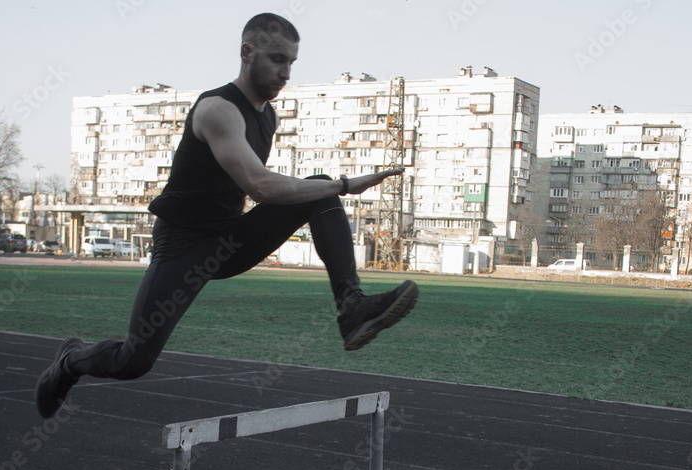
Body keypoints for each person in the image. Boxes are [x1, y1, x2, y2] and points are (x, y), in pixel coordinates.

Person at [35, 13, 418, 419]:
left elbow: (257, 192)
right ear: (246, 53)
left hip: (229, 239)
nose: (285, 72)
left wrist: (329, 190)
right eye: (276, 59)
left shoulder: (267, 116)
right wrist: (345, 185)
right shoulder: (217, 110)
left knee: (317, 189)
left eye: (291, 62)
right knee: (134, 361)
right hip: (183, 246)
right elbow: (260, 185)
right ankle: (70, 359)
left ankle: (351, 306)